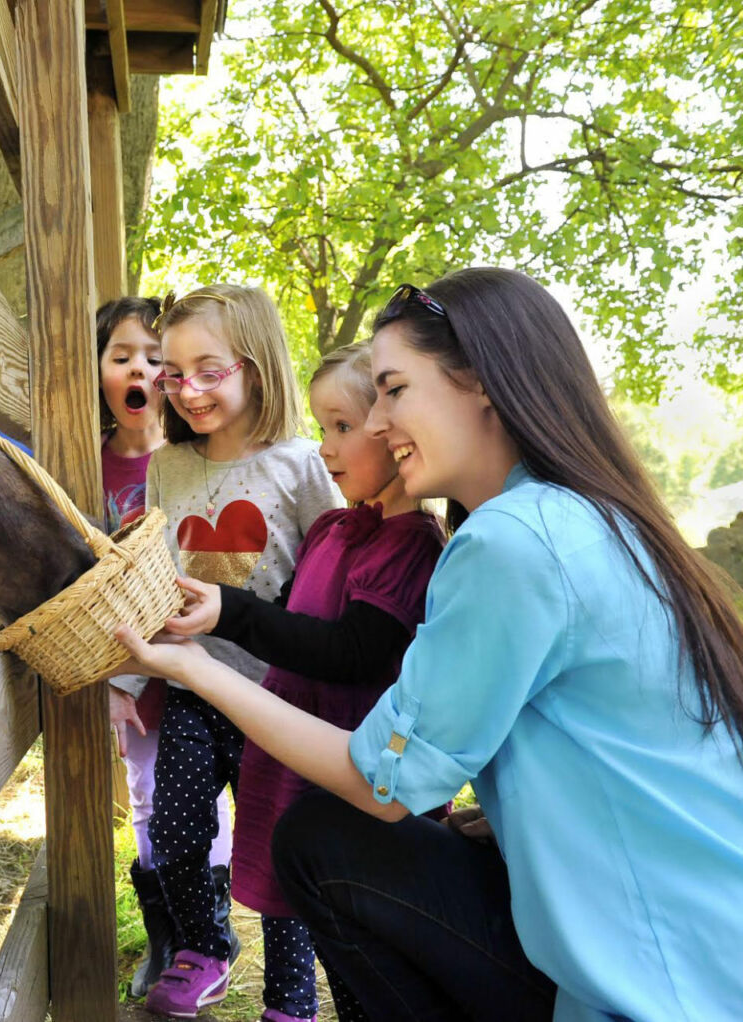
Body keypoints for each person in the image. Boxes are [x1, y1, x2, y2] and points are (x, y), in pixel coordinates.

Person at [113, 268, 743, 1021]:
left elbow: (381, 782)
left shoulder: (513, 540)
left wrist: (190, 668)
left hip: (677, 990)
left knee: (319, 836)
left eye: (394, 390)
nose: (374, 424)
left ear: (481, 383)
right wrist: (511, 824)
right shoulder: (595, 516)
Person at [162, 343, 446, 1021]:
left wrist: (231, 612)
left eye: (342, 427)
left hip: (347, 771)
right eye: (323, 429)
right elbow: (290, 615)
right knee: (317, 914)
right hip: (299, 758)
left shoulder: (410, 547)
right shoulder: (333, 529)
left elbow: (350, 650)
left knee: (363, 943)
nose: (326, 447)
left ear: (392, 430)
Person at [138, 285, 342, 1018]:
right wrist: (136, 685)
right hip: (195, 688)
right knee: (175, 828)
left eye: (209, 370)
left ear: (255, 367)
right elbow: (154, 579)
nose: (187, 390)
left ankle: (291, 998)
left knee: (274, 847)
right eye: (171, 371)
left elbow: (335, 569)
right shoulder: (168, 468)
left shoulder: (299, 464)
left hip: (276, 701)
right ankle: (203, 946)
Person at [93, 295, 236, 998]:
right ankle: (168, 938)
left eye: (157, 360)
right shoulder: (91, 467)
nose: (142, 370)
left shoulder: (192, 462)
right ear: (98, 371)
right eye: (124, 357)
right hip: (127, 659)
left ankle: (209, 936)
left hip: (202, 656)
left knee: (204, 798)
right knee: (150, 797)